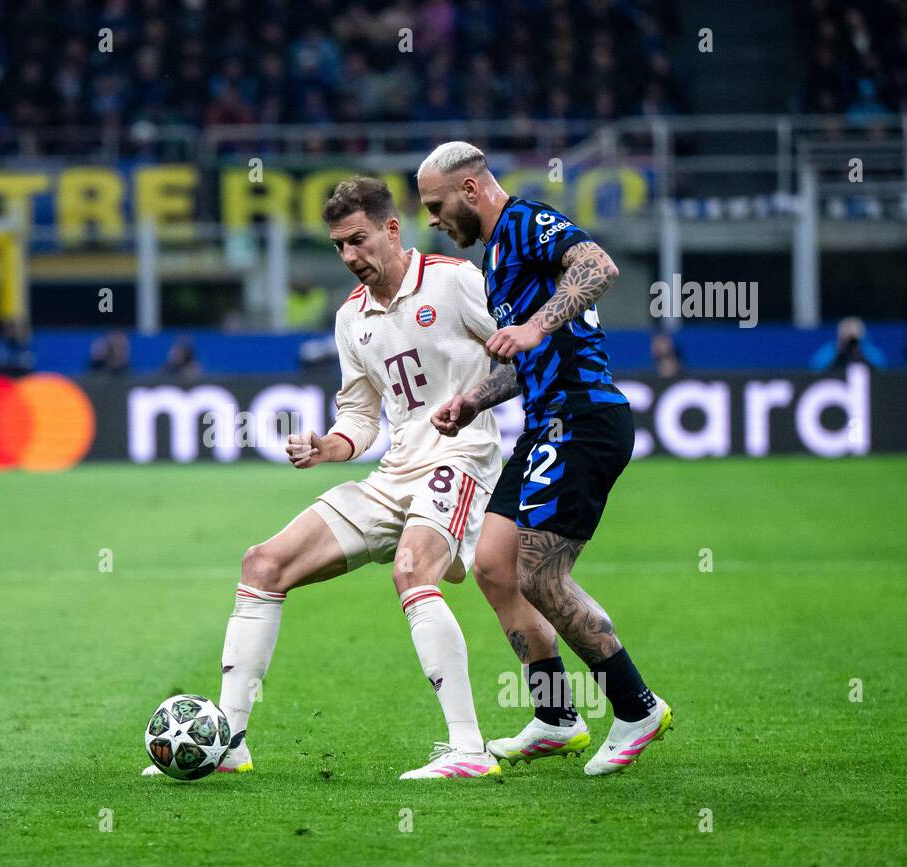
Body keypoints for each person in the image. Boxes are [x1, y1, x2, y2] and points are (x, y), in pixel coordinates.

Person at [144, 176, 506, 781]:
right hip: (394, 474)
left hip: (461, 458)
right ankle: (230, 740)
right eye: (338, 246)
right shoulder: (351, 320)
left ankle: (468, 748)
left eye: (357, 240)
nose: (348, 257)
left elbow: (516, 351)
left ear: (392, 229)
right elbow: (362, 416)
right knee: (262, 565)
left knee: (412, 570)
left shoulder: (453, 280)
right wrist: (327, 446)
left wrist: (474, 401)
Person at [420, 141, 672, 777]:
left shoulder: (527, 222)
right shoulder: (495, 261)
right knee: (495, 567)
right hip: (543, 424)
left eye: (436, 204)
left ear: (471, 189)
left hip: (582, 419)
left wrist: (534, 325)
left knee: (540, 575)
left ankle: (636, 706)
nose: (433, 219)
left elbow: (599, 266)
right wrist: (476, 398)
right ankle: (557, 717)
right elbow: (527, 359)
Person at [809, 317, 887, 372]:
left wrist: (861, 350)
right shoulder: (832, 349)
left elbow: (881, 369)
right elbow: (816, 368)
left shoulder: (869, 351)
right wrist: (838, 350)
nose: (850, 340)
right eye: (846, 332)